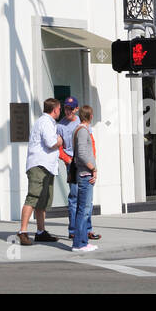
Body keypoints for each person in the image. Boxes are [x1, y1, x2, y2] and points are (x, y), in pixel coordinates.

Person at [18, 98, 63, 245]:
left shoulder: (48, 122)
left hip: (47, 166)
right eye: (59, 109)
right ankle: (23, 231)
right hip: (39, 166)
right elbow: (51, 143)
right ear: (55, 109)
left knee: (42, 201)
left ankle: (40, 231)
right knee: (33, 197)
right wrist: (60, 140)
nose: (60, 111)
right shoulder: (45, 122)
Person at [70, 105, 98, 252]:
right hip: (84, 174)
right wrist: (92, 168)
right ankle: (79, 244)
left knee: (85, 209)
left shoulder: (81, 130)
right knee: (83, 209)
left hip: (85, 174)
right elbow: (81, 153)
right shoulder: (82, 131)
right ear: (90, 116)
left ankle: (83, 241)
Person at [57, 98, 81, 237]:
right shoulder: (60, 125)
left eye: (71, 108)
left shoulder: (80, 122)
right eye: (66, 108)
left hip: (83, 163)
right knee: (74, 196)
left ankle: (87, 229)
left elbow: (90, 142)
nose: (68, 111)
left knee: (85, 197)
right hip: (71, 164)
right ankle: (72, 230)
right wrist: (67, 159)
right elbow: (59, 148)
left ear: (76, 109)